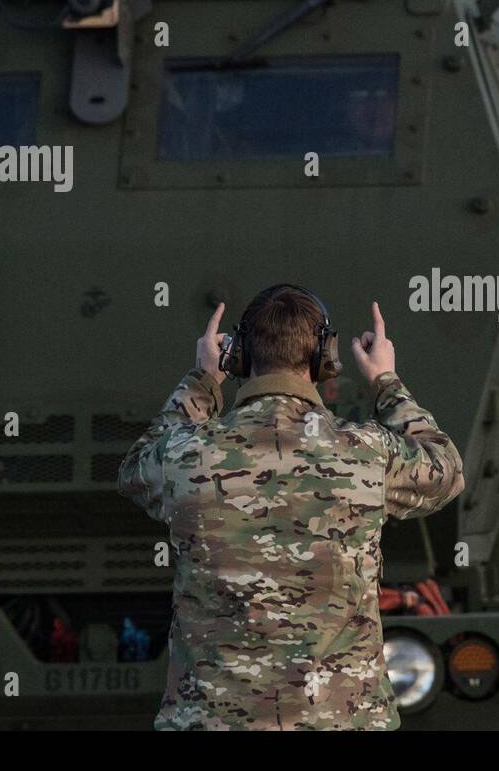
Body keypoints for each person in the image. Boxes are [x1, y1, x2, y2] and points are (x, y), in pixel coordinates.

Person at [117, 284, 464, 730]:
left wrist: (202, 380)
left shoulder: (187, 456)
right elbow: (447, 470)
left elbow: (133, 470)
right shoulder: (368, 454)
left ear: (238, 355)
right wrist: (386, 382)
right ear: (327, 357)